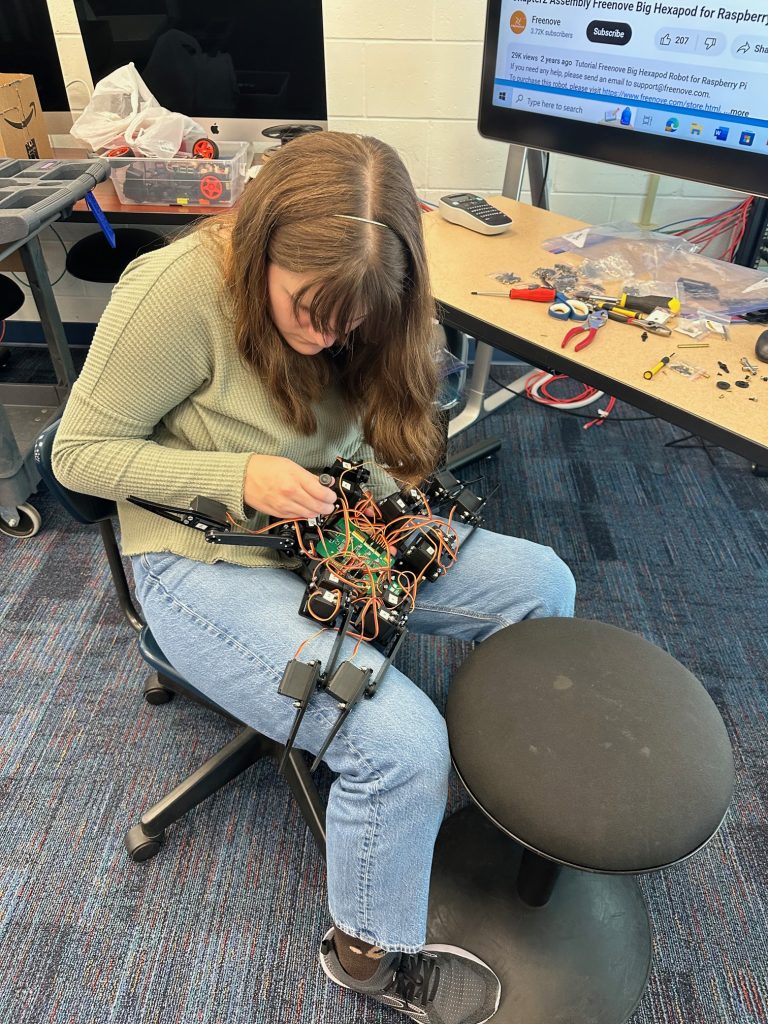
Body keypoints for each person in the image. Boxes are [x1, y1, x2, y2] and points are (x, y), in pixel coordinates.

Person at [53, 131, 576, 1024]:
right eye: (308, 308)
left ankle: (499, 797)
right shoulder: (176, 293)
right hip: (199, 556)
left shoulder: (368, 297)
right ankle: (367, 960)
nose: (328, 333)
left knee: (543, 584)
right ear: (262, 248)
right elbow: (77, 457)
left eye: (352, 319)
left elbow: (371, 438)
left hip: (331, 520)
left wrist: (389, 502)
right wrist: (237, 478)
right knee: (403, 745)